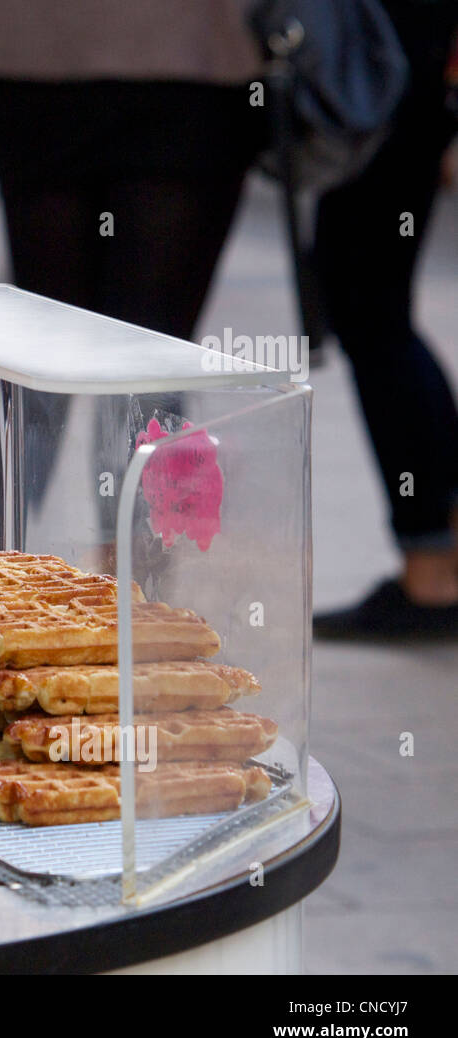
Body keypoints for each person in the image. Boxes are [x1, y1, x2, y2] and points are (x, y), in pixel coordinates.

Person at [0, 1, 266, 548]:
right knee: (150, 359)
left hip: (40, 54)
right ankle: (136, 605)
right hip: (191, 54)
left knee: (35, 345)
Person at [312, 2, 458, 639]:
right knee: (375, 311)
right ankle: (437, 551)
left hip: (385, 84)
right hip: (401, 79)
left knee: (372, 313)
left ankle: (431, 572)